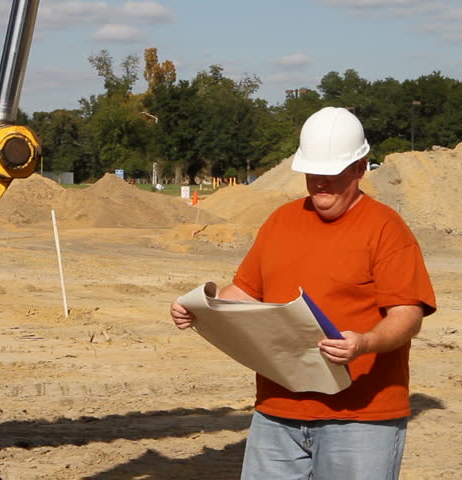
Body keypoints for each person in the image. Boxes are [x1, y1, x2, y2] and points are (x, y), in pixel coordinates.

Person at [170, 107, 436, 480]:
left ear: (360, 168)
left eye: (333, 173)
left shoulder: (387, 230)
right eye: (313, 173)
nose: (320, 183)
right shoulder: (281, 221)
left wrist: (364, 342)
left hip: (361, 419)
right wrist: (200, 308)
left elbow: (407, 315)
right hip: (277, 411)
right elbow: (246, 292)